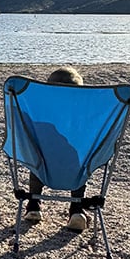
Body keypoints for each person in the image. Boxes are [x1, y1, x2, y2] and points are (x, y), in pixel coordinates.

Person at [24, 65, 89, 232]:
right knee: (81, 161)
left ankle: (33, 205)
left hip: (43, 165)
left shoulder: (40, 115)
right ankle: (76, 210)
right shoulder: (82, 118)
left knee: (37, 156)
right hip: (73, 169)